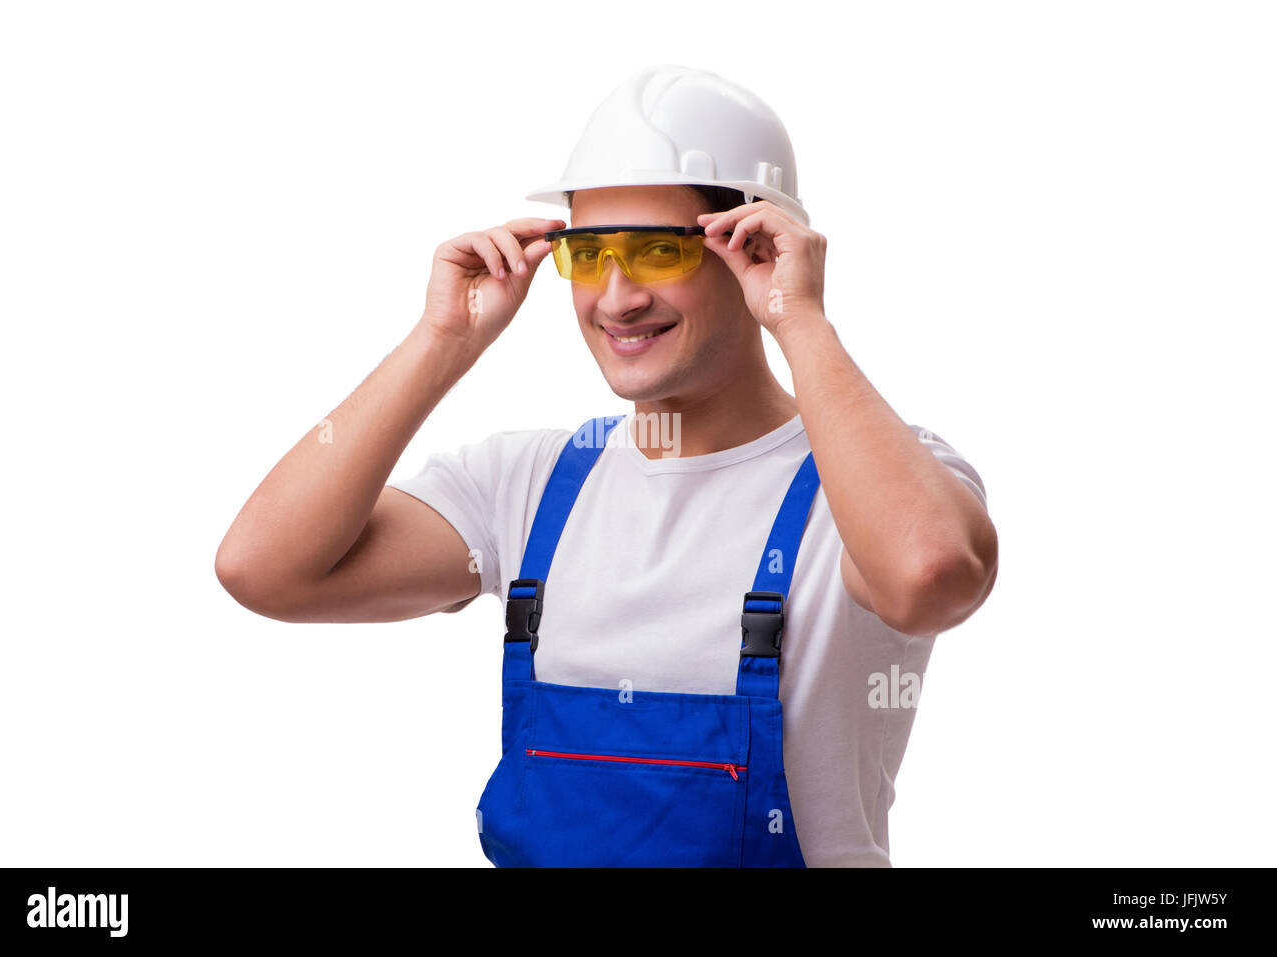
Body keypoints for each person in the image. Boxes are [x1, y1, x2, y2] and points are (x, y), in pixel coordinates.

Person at [215, 64, 998, 867]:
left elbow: (929, 572)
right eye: (588, 257)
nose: (616, 298)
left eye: (659, 251)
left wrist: (799, 318)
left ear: (759, 244)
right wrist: (439, 344)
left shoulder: (871, 481)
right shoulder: (533, 482)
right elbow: (264, 568)